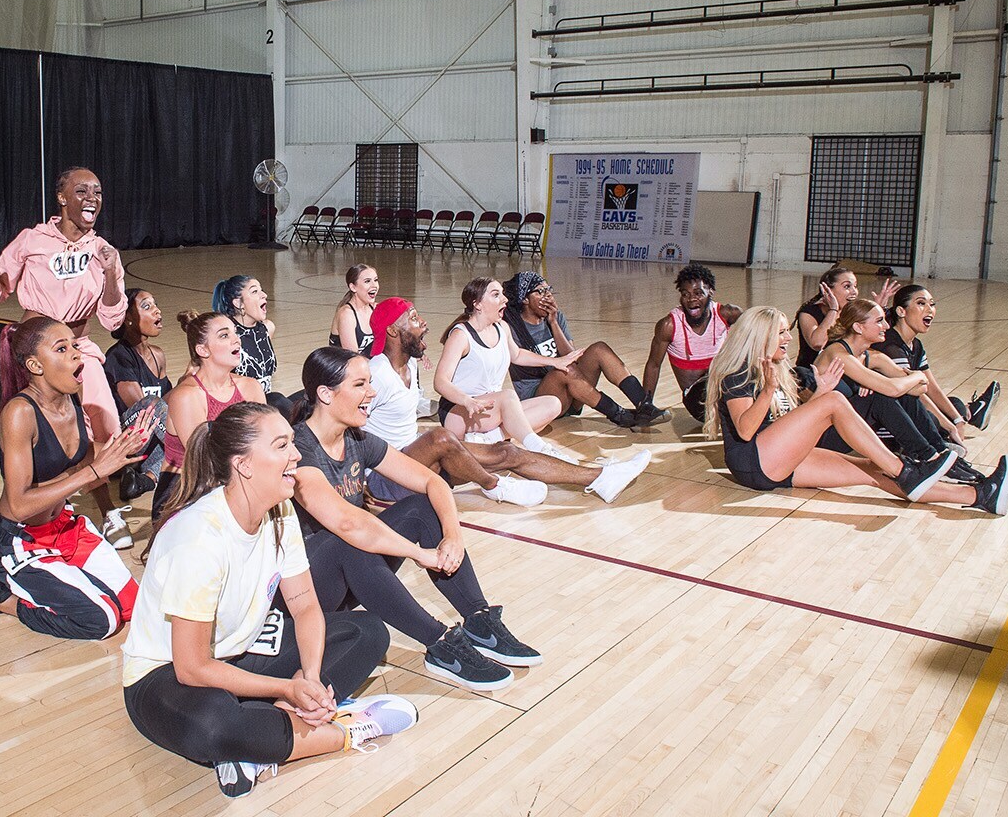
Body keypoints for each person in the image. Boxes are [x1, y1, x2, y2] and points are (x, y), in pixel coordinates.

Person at [123, 402, 418, 798]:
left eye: (292, 443)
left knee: (366, 632)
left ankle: (257, 743)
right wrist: (284, 689)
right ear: (244, 464)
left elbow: (306, 606)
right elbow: (191, 668)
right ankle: (342, 731)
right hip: (165, 676)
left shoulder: (279, 509)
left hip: (237, 656)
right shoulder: (197, 537)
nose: (296, 455)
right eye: (282, 446)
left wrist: (309, 678)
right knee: (214, 726)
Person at [295, 347, 543, 692]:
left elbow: (433, 482)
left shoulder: (357, 439)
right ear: (325, 393)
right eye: (360, 384)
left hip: (358, 573)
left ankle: (479, 619)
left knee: (420, 507)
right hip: (306, 590)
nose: (372, 392)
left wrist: (452, 536)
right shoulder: (299, 448)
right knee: (345, 541)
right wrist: (420, 554)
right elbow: (347, 522)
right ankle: (440, 643)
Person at [703, 307, 1008, 513]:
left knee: (871, 471)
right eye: (781, 333)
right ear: (760, 337)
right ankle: (905, 470)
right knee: (836, 402)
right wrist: (772, 389)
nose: (787, 338)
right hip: (752, 463)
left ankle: (981, 496)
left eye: (786, 331)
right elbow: (745, 429)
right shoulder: (739, 374)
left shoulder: (781, 370)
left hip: (777, 458)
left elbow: (783, 427)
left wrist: (817, 396)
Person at [0, 317, 159, 639]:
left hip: (64, 527)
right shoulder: (19, 413)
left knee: (135, 606)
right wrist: (94, 472)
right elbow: (18, 505)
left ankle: (56, 577)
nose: (76, 354)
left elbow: (80, 457)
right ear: (35, 365)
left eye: (74, 344)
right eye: (61, 348)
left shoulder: (70, 399)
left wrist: (123, 445)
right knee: (103, 620)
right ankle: (2, 597)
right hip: (18, 538)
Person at [0, 165, 134, 548]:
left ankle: (102, 507)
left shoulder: (102, 250)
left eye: (97, 191)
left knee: (103, 425)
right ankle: (39, 506)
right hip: (38, 350)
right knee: (44, 430)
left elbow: (113, 317)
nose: (91, 198)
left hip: (79, 347)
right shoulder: (32, 240)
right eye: (82, 191)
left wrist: (111, 273)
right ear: (62, 198)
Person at [366, 298, 651, 507]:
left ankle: (600, 478)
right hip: (386, 477)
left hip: (418, 463)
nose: (423, 323)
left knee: (506, 452)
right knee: (439, 437)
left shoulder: (409, 366)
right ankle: (494, 484)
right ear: (393, 331)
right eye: (414, 318)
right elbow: (340, 426)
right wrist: (352, 481)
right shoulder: (376, 373)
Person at [812, 299, 983, 483]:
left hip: (850, 431)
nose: (886, 325)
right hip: (820, 437)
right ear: (858, 327)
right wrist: (916, 375)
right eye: (879, 321)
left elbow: (920, 389)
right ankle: (929, 458)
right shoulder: (838, 354)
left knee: (904, 394)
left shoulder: (871, 357)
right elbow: (892, 388)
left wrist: (910, 380)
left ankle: (940, 452)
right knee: (881, 397)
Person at [434, 277, 579, 459]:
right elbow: (440, 382)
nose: (505, 299)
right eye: (496, 295)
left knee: (552, 403)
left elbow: (517, 354)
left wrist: (554, 362)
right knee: (509, 396)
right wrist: (467, 401)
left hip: (491, 408)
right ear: (477, 304)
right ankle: (539, 449)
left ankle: (489, 439)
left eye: (503, 294)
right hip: (460, 411)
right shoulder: (460, 335)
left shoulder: (502, 327)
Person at [503, 272, 668, 427]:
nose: (548, 296)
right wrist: (557, 363)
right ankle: (619, 415)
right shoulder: (513, 328)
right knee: (564, 370)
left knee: (599, 349)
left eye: (549, 290)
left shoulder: (556, 317)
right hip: (539, 399)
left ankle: (644, 405)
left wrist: (554, 323)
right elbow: (522, 358)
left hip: (573, 388)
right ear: (524, 299)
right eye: (541, 292)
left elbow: (571, 357)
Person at [154, 310, 268, 521]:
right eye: (225, 335)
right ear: (202, 350)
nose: (236, 339)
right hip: (185, 491)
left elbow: (265, 441)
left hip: (236, 480)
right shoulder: (187, 396)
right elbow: (205, 461)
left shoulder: (250, 387)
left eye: (235, 333)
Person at [875, 283, 1000, 438]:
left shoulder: (916, 345)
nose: (930, 309)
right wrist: (950, 426)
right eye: (921, 303)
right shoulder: (892, 346)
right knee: (933, 419)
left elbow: (932, 388)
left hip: (910, 409)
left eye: (932, 304)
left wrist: (957, 420)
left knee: (955, 406)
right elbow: (916, 395)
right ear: (901, 311)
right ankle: (968, 417)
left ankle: (968, 414)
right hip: (889, 423)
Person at [641, 263, 742, 422]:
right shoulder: (669, 325)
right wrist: (645, 404)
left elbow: (756, 333)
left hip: (724, 389)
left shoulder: (728, 314)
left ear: (710, 292)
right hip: (697, 400)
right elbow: (653, 365)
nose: (691, 299)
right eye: (685, 294)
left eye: (698, 293)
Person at [103, 289, 172, 507]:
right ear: (128, 319)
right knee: (154, 406)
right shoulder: (118, 356)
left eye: (155, 304)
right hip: (124, 438)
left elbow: (168, 402)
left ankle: (144, 481)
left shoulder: (157, 354)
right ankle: (197, 458)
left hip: (150, 434)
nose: (157, 310)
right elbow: (143, 407)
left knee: (187, 404)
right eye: (147, 306)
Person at [795, 265, 899, 369]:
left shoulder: (850, 311)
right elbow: (817, 344)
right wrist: (833, 310)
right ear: (826, 290)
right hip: (813, 375)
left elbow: (873, 338)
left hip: (845, 370)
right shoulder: (808, 313)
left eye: (855, 286)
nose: (854, 292)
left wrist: (879, 310)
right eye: (847, 286)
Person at [212, 275, 287, 411]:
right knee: (279, 400)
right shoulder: (227, 336)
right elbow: (196, 372)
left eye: (261, 290)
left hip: (263, 404)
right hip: (239, 410)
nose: (264, 295)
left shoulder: (267, 328)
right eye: (254, 291)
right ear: (239, 304)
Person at [329, 263, 379, 355]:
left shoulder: (376, 308)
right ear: (353, 287)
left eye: (376, 280)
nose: (374, 285)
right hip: (345, 366)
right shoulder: (346, 314)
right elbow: (352, 358)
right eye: (367, 281)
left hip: (367, 365)